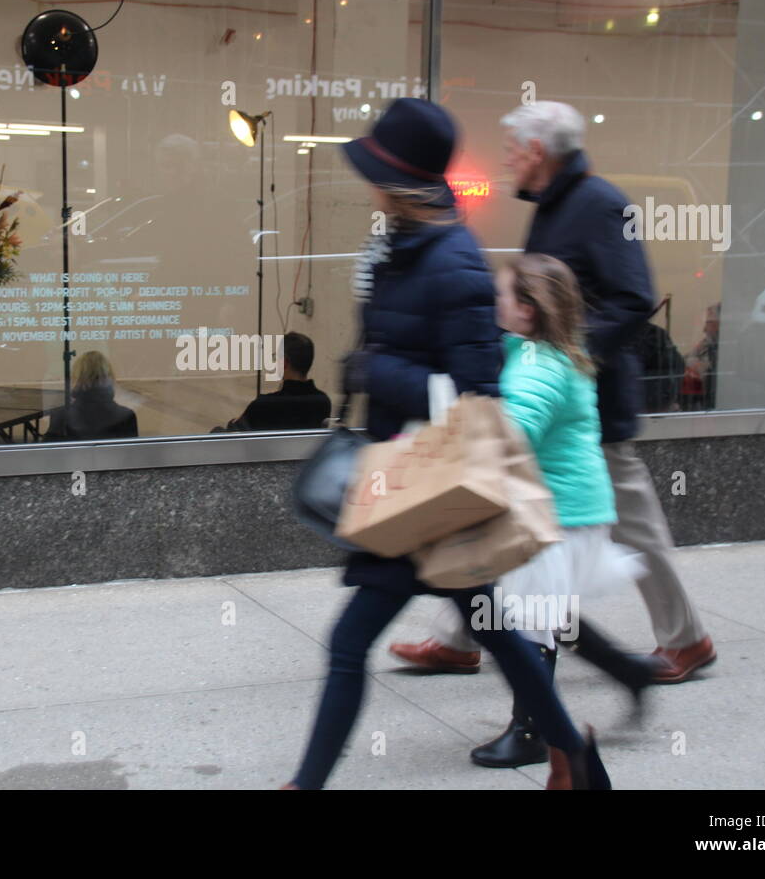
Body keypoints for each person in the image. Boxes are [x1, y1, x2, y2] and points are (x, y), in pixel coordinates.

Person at [283, 98, 608, 790]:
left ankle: (303, 785)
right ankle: (573, 752)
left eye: (376, 171)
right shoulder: (400, 247)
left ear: (401, 184)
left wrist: (380, 372)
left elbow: (476, 392)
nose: (366, 183)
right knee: (493, 628)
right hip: (407, 474)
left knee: (351, 641)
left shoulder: (454, 262)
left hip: (429, 487)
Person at [391, 102, 715, 696]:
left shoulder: (598, 203)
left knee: (634, 529)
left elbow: (633, 296)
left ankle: (685, 638)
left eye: (513, 148)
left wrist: (565, 356)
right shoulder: (556, 206)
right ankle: (465, 640)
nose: (508, 158)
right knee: (504, 520)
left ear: (537, 151)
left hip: (584, 410)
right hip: (560, 396)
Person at [442, 253, 657, 769]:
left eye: (504, 296)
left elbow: (516, 433)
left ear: (528, 310)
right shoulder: (550, 351)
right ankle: (629, 671)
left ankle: (531, 731)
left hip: (557, 514)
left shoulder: (539, 364)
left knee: (529, 621)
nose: (496, 302)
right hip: (570, 507)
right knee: (545, 613)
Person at [212, 332, 331, 432]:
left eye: (276, 357)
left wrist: (233, 423)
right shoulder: (322, 402)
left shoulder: (265, 405)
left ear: (284, 363)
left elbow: (230, 438)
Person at [44, 351, 138, 441]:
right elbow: (132, 453)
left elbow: (48, 453)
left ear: (78, 378)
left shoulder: (61, 415)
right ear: (110, 378)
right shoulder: (126, 416)